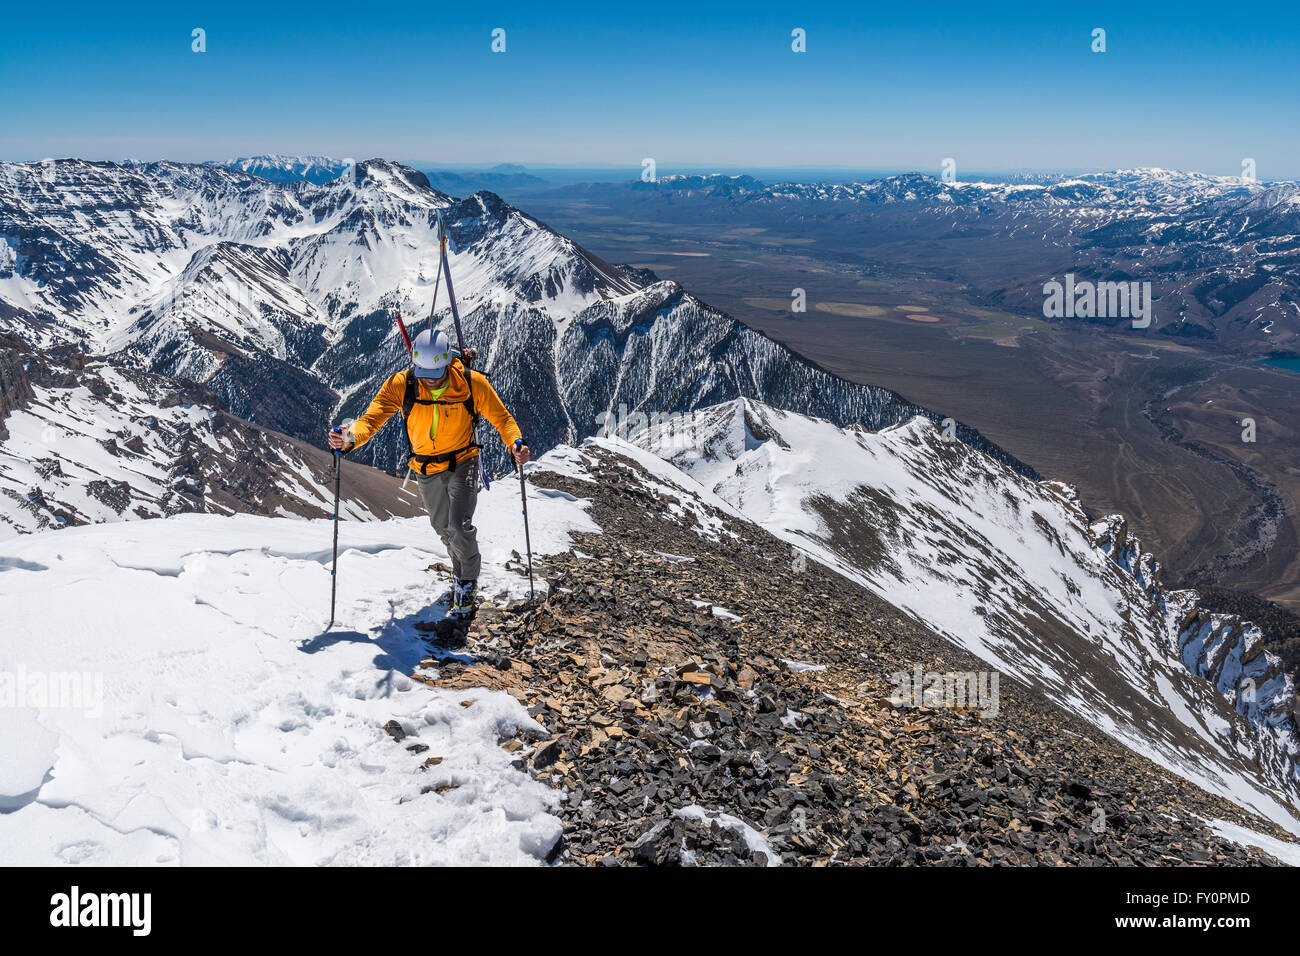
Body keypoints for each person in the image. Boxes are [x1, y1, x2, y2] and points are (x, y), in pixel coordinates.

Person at [328, 328, 529, 626]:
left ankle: (467, 582)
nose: (430, 378)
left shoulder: (472, 384)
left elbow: (503, 419)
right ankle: (459, 570)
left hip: (464, 460)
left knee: (459, 526)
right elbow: (373, 417)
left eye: (436, 372)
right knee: (441, 527)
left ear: (449, 361)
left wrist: (515, 443)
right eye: (424, 372)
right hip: (424, 467)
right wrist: (349, 438)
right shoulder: (402, 384)